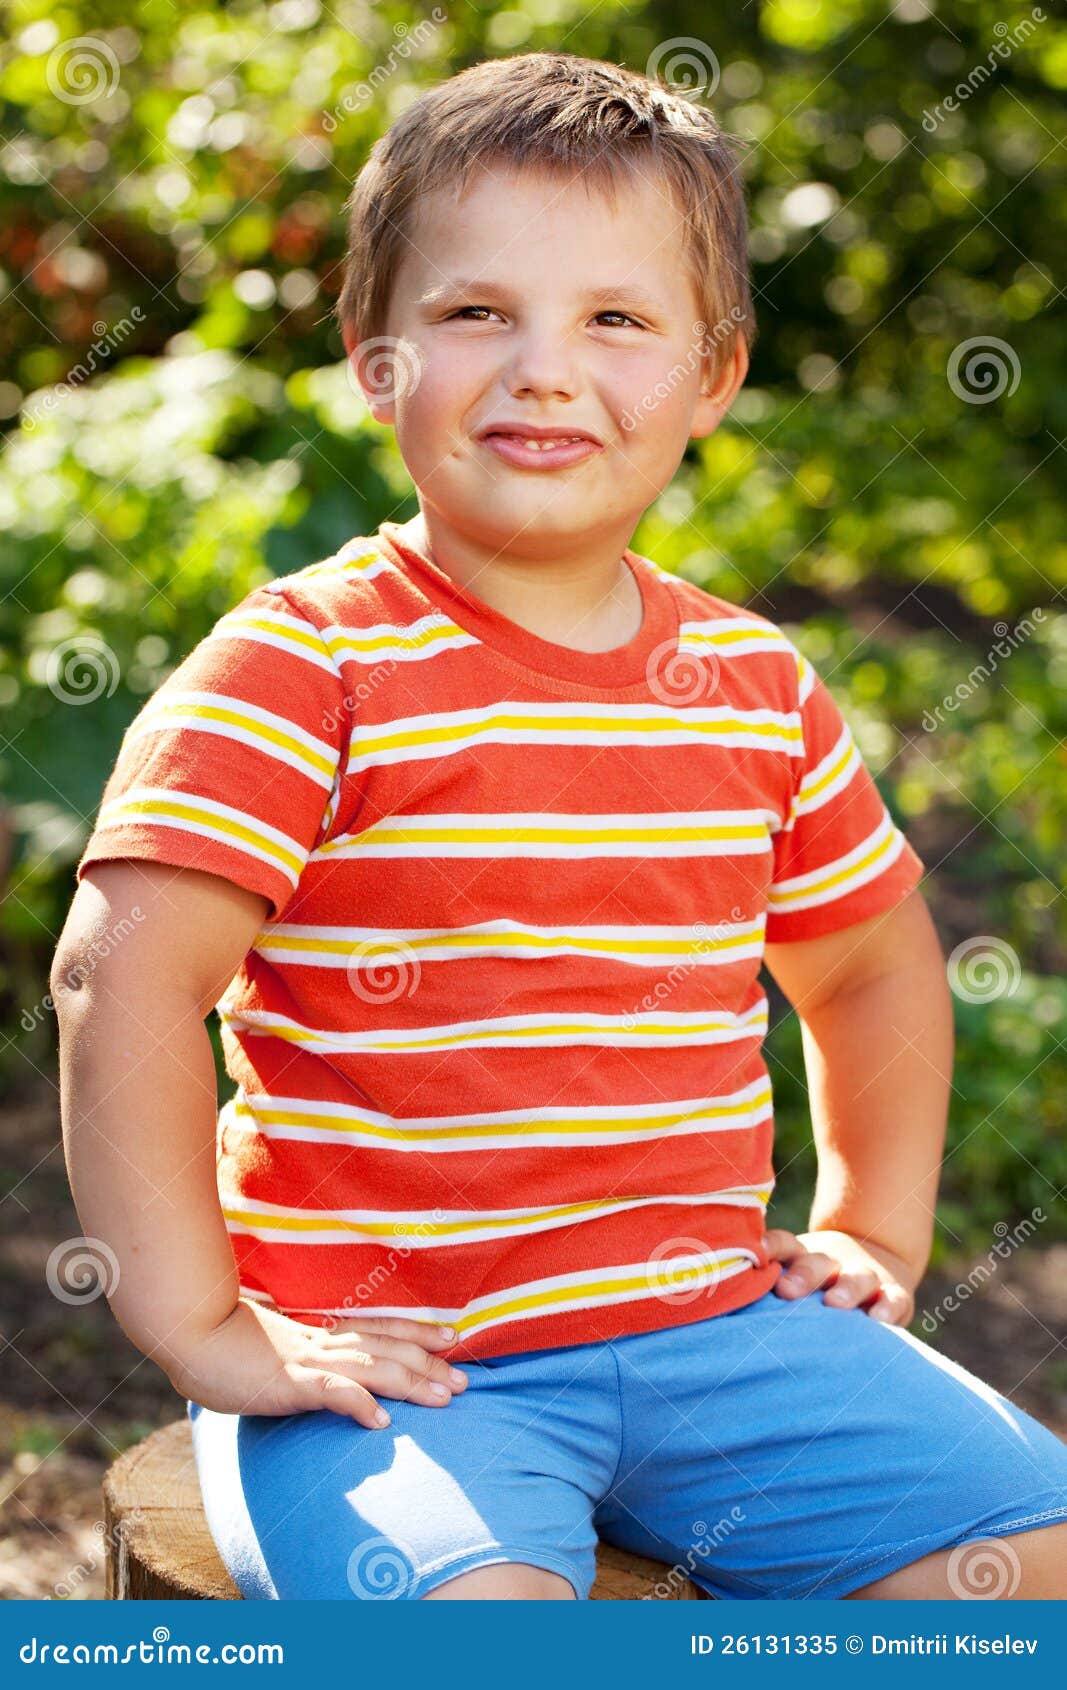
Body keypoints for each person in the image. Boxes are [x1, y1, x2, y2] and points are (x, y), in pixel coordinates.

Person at [53, 51, 1067, 1601]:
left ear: (712, 373)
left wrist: (876, 1226)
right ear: (374, 356)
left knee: (1036, 1569)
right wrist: (201, 1322)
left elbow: (868, 965)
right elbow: (118, 978)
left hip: (723, 1338)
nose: (543, 369)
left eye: (615, 318)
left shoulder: (750, 684)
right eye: (475, 313)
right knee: (485, 1629)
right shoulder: (303, 664)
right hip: (399, 1369)